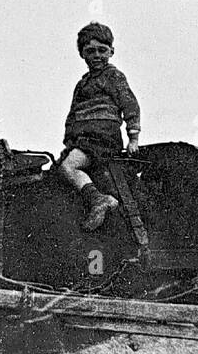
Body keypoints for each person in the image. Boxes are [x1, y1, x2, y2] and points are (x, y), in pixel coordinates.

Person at [59, 22, 141, 231]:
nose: (96, 55)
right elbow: (73, 115)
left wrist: (133, 139)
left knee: (69, 167)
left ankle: (99, 199)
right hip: (83, 141)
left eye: (102, 50)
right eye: (90, 51)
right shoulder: (82, 84)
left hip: (102, 140)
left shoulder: (113, 76)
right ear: (82, 54)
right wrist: (69, 141)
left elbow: (130, 105)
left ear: (111, 51)